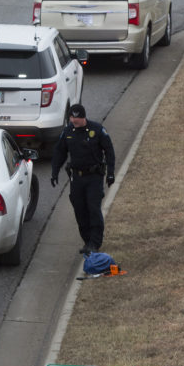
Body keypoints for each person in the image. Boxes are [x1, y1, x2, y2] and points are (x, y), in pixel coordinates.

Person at [50, 103, 116, 255]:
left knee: (93, 209)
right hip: (77, 178)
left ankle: (95, 242)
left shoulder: (97, 130)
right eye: (72, 118)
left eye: (76, 118)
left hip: (94, 177)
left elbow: (109, 151)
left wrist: (111, 173)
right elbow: (60, 152)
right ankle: (87, 241)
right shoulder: (68, 132)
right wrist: (55, 171)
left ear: (83, 117)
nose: (74, 121)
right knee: (80, 210)